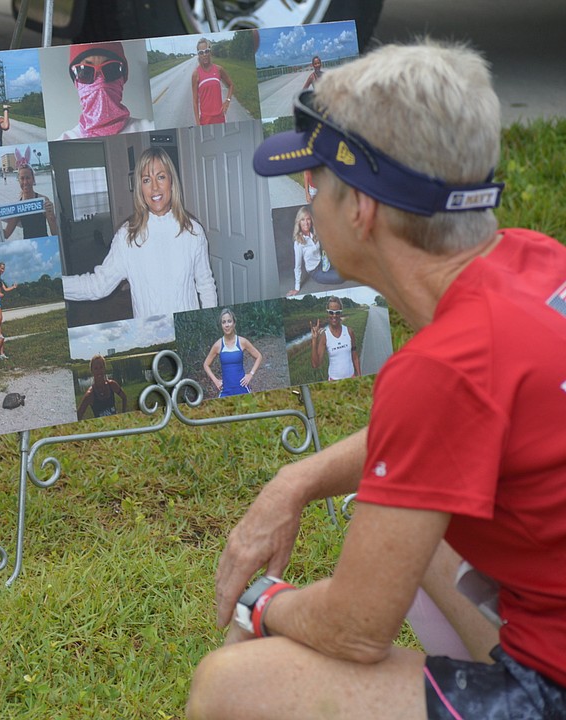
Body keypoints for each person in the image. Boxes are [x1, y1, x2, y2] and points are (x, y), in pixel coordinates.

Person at [187, 41, 566, 720]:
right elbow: (449, 428)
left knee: (231, 687)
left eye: (312, 181)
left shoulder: (443, 367)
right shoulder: (538, 261)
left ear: (361, 207)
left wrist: (264, 603)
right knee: (417, 516)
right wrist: (297, 480)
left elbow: (356, 628)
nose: (307, 199)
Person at [62, 146, 217, 318]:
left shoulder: (193, 231)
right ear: (140, 188)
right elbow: (98, 286)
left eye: (161, 177)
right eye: (146, 180)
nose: (155, 187)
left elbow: (205, 284)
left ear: (171, 182)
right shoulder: (127, 236)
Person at [58, 41, 152, 140]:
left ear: (122, 78)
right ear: (76, 82)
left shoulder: (149, 128)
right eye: (85, 71)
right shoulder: (63, 140)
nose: (101, 83)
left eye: (111, 69)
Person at [201, 307, 263, 397]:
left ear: (234, 323)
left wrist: (251, 374)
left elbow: (259, 356)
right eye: (224, 322)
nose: (227, 325)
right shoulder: (218, 345)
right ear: (221, 325)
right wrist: (216, 381)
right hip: (225, 390)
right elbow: (206, 364)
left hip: (242, 388)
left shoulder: (242, 341)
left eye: (229, 321)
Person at [288, 205, 342, 295]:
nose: (306, 223)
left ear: (311, 221)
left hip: (324, 263)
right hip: (316, 272)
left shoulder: (314, 235)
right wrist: (296, 288)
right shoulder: (298, 243)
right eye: (302, 219)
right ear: (299, 222)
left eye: (308, 219)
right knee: (340, 276)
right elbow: (297, 267)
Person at [1, 162, 57, 240]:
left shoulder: (43, 201)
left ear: (33, 179)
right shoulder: (18, 207)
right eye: (22, 178)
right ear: (18, 180)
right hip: (29, 247)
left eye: (28, 178)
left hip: (44, 245)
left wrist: (52, 216)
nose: (25, 182)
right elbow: (6, 234)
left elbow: (55, 233)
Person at [309, 296, 360, 381]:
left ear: (341, 313)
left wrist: (359, 375)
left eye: (337, 312)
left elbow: (355, 357)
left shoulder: (349, 332)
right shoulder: (324, 336)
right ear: (327, 313)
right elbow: (315, 365)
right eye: (331, 312)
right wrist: (314, 340)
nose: (334, 316)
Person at [191, 38, 234, 126]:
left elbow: (231, 85)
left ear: (210, 52)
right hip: (205, 120)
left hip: (220, 117)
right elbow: (195, 102)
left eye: (206, 51)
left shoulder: (219, 69)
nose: (204, 55)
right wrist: (198, 123)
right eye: (201, 52)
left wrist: (227, 101)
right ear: (198, 54)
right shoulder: (196, 74)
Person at [76, 354, 128, 420]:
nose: (99, 371)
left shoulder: (112, 385)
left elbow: (124, 397)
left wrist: (123, 415)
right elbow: (79, 414)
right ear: (92, 370)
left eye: (101, 367)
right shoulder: (90, 394)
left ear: (104, 368)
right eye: (96, 368)